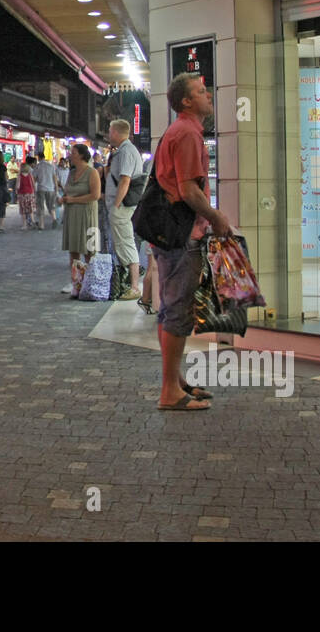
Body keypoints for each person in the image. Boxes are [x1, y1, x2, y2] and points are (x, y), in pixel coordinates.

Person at [151, 75, 231, 412]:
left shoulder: (183, 131)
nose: (208, 95)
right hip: (183, 235)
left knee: (171, 308)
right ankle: (170, 390)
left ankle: (175, 379)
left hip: (173, 233)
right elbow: (188, 189)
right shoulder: (186, 133)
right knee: (178, 310)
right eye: (200, 92)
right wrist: (215, 216)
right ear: (186, 101)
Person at [106, 118, 144, 300]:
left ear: (115, 132)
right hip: (120, 205)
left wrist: (116, 204)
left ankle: (134, 286)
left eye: (109, 131)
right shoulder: (123, 150)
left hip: (122, 206)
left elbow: (125, 179)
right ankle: (129, 283)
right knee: (121, 242)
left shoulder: (127, 151)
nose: (108, 134)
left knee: (125, 241)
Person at [60, 143, 102, 297]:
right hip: (72, 214)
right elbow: (67, 190)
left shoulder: (92, 172)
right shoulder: (71, 173)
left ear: (81, 155)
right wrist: (65, 199)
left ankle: (90, 282)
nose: (70, 155)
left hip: (87, 214)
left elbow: (95, 195)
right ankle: (75, 282)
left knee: (89, 249)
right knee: (74, 249)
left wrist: (72, 199)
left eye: (73, 152)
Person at [34, 152, 58, 230]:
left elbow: (34, 178)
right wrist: (56, 187)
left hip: (41, 188)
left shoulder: (37, 166)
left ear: (39, 158)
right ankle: (54, 219)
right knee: (51, 205)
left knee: (41, 207)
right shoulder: (51, 166)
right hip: (50, 188)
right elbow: (54, 177)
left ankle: (42, 225)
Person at [16, 156, 38, 229]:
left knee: (23, 210)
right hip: (30, 194)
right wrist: (34, 192)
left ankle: (24, 225)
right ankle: (33, 221)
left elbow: (18, 185)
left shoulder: (19, 176)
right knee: (30, 209)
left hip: (22, 194)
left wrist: (16, 191)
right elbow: (33, 184)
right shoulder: (30, 175)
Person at [55, 156, 70, 224]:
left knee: (66, 205)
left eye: (63, 162)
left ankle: (64, 219)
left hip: (66, 189)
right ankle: (57, 219)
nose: (62, 163)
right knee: (58, 204)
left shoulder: (68, 170)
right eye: (61, 162)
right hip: (60, 189)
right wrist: (62, 187)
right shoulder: (57, 170)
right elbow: (57, 180)